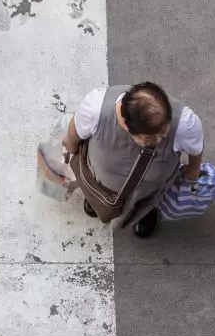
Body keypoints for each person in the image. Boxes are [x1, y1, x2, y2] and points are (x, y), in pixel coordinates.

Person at [63, 82, 204, 238]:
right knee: (95, 190)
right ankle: (95, 200)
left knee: (145, 203)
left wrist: (193, 169)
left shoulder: (186, 123)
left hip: (145, 193)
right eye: (150, 137)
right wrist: (71, 146)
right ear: (125, 124)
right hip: (99, 182)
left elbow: (195, 149)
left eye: (164, 132)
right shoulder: (95, 108)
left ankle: (144, 214)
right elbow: (74, 132)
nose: (160, 139)